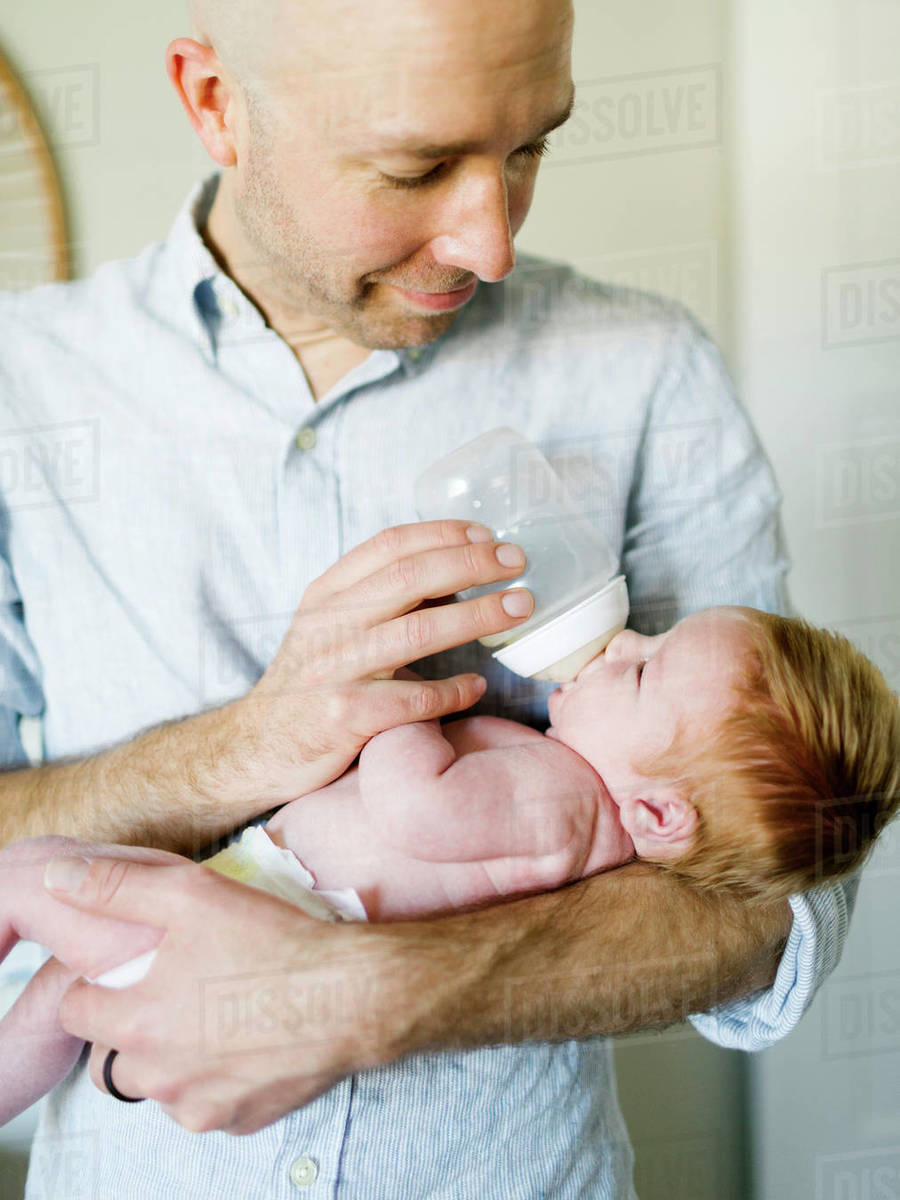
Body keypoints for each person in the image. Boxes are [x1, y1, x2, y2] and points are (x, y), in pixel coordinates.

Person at [0, 0, 858, 1194]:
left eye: (528, 150)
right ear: (215, 104)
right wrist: (241, 750)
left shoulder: (643, 367)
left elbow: (775, 894)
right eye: (417, 166)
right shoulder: (23, 388)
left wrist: (363, 994)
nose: (490, 241)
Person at [1, 605, 897, 1130]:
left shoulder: (560, 795)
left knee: (29, 877)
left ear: (659, 813)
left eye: (641, 673)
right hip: (242, 906)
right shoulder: (580, 795)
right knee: (54, 992)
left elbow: (417, 808)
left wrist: (399, 699)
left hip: (249, 917)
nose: (620, 644)